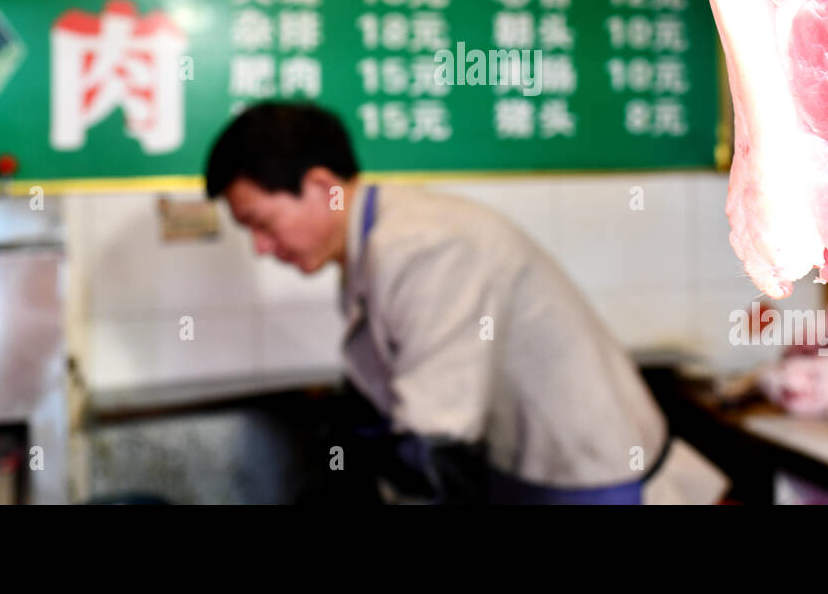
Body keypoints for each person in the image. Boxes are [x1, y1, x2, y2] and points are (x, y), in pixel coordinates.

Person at [205, 101, 728, 504]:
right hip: (531, 467)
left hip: (594, 474)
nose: (261, 248)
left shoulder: (422, 245)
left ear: (321, 186)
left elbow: (435, 442)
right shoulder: (370, 245)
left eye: (261, 224)